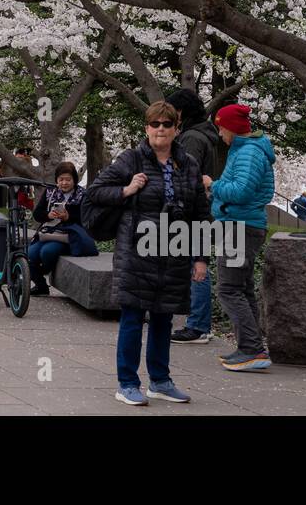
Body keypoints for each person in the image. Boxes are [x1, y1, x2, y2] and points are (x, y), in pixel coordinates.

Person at [87, 101, 209, 406]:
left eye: (167, 124)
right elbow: (94, 193)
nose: (161, 130)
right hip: (136, 251)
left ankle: (160, 381)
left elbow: (201, 213)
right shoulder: (132, 160)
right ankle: (127, 382)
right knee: (132, 317)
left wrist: (201, 256)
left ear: (176, 129)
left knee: (163, 319)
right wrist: (126, 190)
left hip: (174, 251)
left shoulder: (189, 164)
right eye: (155, 124)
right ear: (146, 128)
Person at [206, 103, 276, 372]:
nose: (219, 132)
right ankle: (251, 346)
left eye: (221, 126)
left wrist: (212, 184)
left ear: (232, 128)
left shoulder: (248, 153)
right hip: (241, 226)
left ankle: (251, 349)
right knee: (242, 288)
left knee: (229, 289)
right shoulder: (247, 150)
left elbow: (241, 191)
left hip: (239, 227)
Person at [167, 89, 221, 345]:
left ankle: (198, 326)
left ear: (181, 112)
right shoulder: (205, 135)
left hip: (189, 212)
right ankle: (199, 323)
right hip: (199, 210)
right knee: (194, 265)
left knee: (196, 267)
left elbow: (185, 177)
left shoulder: (190, 139)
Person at [27, 160, 97, 296]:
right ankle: (41, 285)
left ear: (75, 180)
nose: (64, 183)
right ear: (56, 180)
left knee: (46, 252)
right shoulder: (50, 192)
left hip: (69, 236)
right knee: (29, 253)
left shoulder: (83, 195)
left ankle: (44, 271)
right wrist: (48, 215)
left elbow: (88, 218)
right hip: (49, 233)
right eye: (61, 180)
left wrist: (68, 217)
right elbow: (37, 214)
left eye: (68, 180)